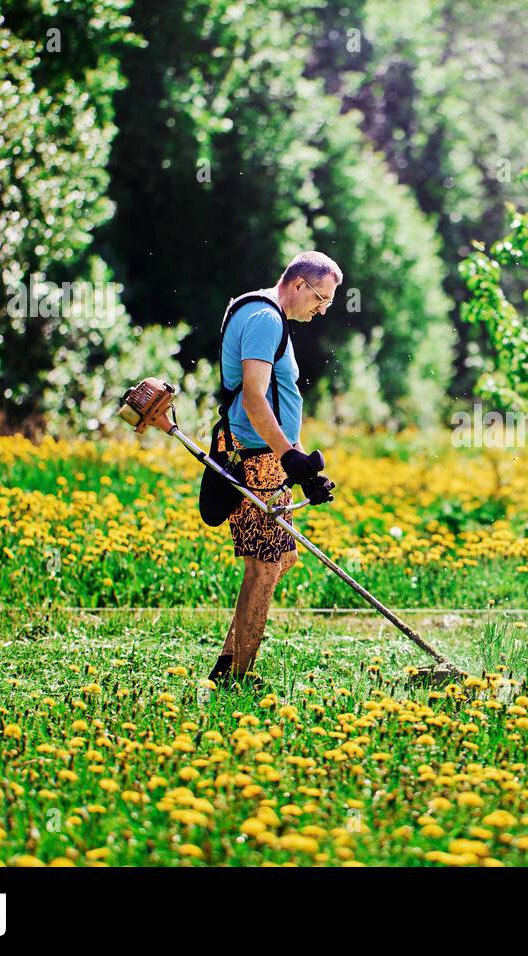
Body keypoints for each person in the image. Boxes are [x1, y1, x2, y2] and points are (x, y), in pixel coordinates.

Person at [206, 251, 341, 686]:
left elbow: (280, 403)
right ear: (299, 284)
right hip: (254, 457)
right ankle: (236, 677)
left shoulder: (266, 312)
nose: (321, 310)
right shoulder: (265, 319)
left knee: (282, 557)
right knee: (264, 564)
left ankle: (229, 662)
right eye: (320, 298)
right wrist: (287, 457)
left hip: (269, 454)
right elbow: (253, 398)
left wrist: (305, 472)